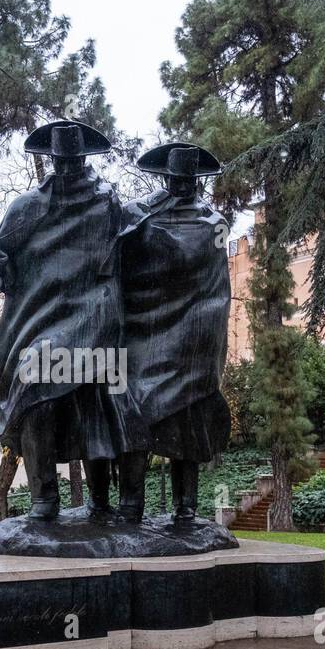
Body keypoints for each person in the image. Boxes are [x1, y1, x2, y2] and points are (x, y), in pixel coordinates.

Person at [0, 120, 146, 521]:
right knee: (34, 384)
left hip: (96, 315)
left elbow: (135, 249)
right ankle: (45, 496)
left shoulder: (107, 201)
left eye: (73, 160)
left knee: (86, 396)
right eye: (61, 160)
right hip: (44, 316)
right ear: (52, 159)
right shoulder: (28, 206)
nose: (67, 167)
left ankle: (99, 501)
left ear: (83, 158)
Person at [118, 142, 231, 523]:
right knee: (135, 412)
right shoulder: (137, 215)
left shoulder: (213, 224)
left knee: (189, 421)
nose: (182, 186)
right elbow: (113, 269)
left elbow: (218, 289)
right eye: (176, 180)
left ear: (196, 180)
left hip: (193, 337)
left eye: (189, 180)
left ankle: (187, 508)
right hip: (143, 331)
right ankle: (130, 505)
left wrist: (209, 344)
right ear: (165, 177)